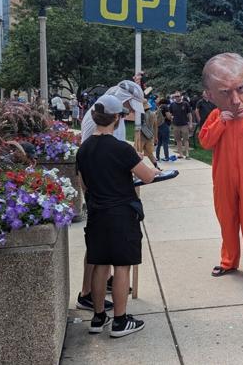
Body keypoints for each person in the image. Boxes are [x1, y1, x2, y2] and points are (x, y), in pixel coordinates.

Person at [76, 96, 159, 336]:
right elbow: (147, 176)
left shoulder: (84, 149)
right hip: (121, 214)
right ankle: (120, 321)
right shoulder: (122, 148)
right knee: (122, 266)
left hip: (97, 214)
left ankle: (98, 317)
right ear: (116, 118)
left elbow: (84, 185)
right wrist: (152, 169)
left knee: (101, 265)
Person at [198, 53, 243, 282]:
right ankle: (228, 261)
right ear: (211, 95)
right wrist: (222, 121)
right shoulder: (215, 116)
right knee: (227, 222)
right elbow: (205, 142)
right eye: (225, 93)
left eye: (241, 89)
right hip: (224, 180)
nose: (235, 99)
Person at [136, 102, 161, 170]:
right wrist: (156, 137)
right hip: (150, 136)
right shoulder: (153, 114)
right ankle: (157, 167)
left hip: (141, 136)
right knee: (150, 154)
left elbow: (137, 128)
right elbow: (155, 127)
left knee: (137, 154)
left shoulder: (140, 114)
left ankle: (138, 169)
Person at [169, 92, 192, 159]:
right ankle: (180, 154)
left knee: (186, 139)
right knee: (178, 140)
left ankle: (187, 154)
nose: (177, 97)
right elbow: (170, 114)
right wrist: (171, 118)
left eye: (178, 96)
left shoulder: (185, 104)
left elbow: (189, 114)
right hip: (176, 125)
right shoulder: (172, 105)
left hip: (184, 124)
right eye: (175, 96)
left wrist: (190, 123)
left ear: (181, 96)